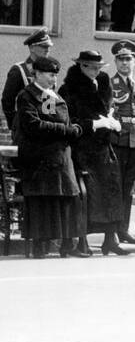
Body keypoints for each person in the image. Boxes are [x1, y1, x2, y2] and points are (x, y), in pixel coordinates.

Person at [12, 55, 85, 258]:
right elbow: (35, 126)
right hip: (40, 160)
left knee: (62, 199)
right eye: (50, 75)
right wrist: (69, 130)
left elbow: (50, 119)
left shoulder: (46, 96)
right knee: (43, 203)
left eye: (55, 75)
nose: (54, 79)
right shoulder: (27, 95)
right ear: (38, 73)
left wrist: (66, 130)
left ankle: (65, 244)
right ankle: (40, 246)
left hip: (57, 158)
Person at [60, 50, 126, 255]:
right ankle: (81, 241)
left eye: (99, 68)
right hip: (83, 149)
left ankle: (110, 239)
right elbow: (69, 121)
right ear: (82, 66)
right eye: (93, 67)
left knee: (111, 194)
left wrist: (113, 121)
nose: (97, 71)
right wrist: (94, 124)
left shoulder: (103, 85)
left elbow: (110, 109)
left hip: (104, 148)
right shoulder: (69, 89)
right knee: (87, 196)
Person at [107, 40, 135, 245]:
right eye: (121, 59)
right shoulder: (109, 84)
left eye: (128, 59)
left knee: (129, 188)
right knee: (115, 188)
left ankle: (124, 230)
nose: (125, 63)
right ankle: (113, 232)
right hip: (116, 142)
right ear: (115, 61)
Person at [4, 27, 55, 132]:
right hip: (24, 129)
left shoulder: (50, 72)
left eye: (49, 46)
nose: (47, 49)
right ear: (32, 48)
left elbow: (49, 104)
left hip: (44, 129)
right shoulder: (19, 70)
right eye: (43, 46)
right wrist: (15, 125)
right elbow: (7, 101)